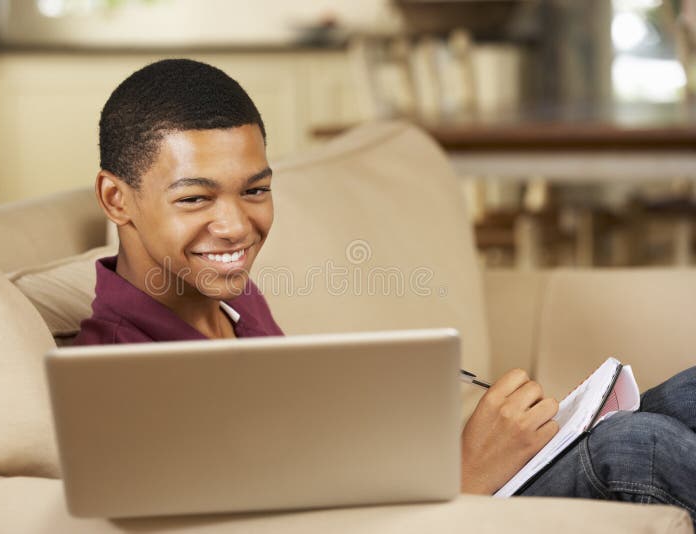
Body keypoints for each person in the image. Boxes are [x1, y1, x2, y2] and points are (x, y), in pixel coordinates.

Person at [75, 58, 696, 526]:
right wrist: (466, 471)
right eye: (195, 198)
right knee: (636, 447)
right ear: (115, 198)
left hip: (420, 496)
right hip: (443, 512)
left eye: (255, 190)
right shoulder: (122, 373)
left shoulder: (232, 302)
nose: (237, 226)